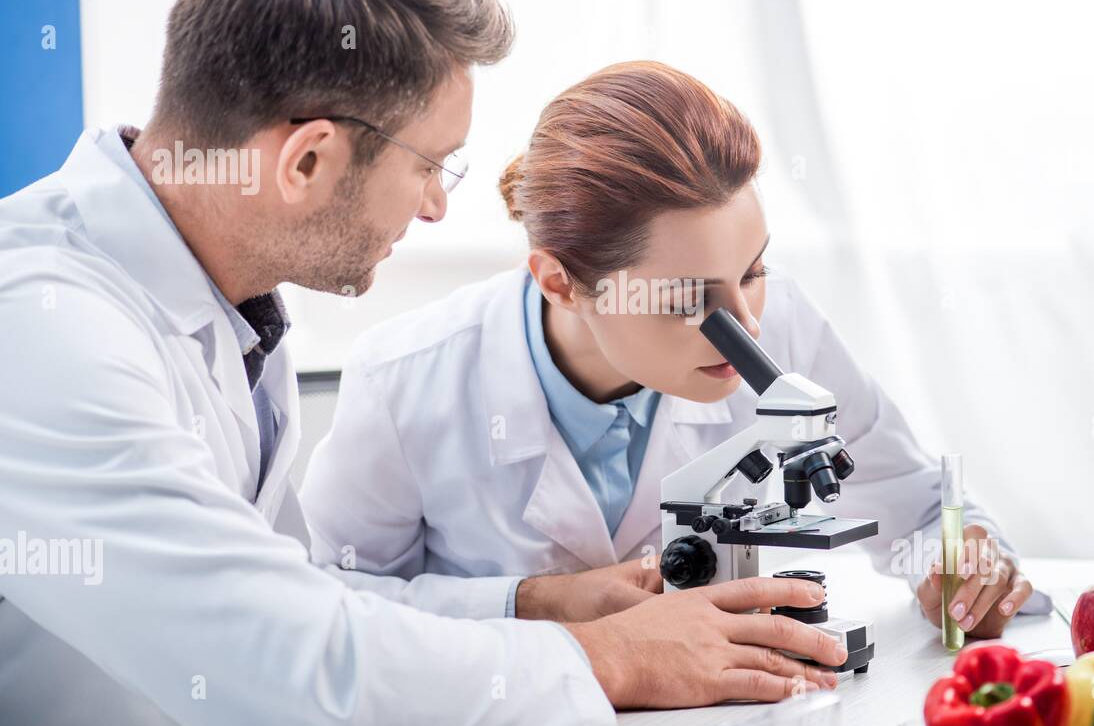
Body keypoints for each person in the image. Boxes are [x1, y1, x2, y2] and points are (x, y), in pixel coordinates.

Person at [0, 0, 846, 726]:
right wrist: (615, 657)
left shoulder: (225, 305)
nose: (440, 205)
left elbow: (299, 589)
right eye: (432, 165)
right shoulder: (46, 331)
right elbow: (291, 659)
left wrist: (538, 603)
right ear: (307, 160)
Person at [300, 61, 1043, 647]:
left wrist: (967, 563)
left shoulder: (778, 322)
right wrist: (534, 604)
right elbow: (329, 609)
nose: (746, 325)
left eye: (752, 269)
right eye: (690, 300)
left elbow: (914, 512)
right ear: (561, 282)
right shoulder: (406, 381)